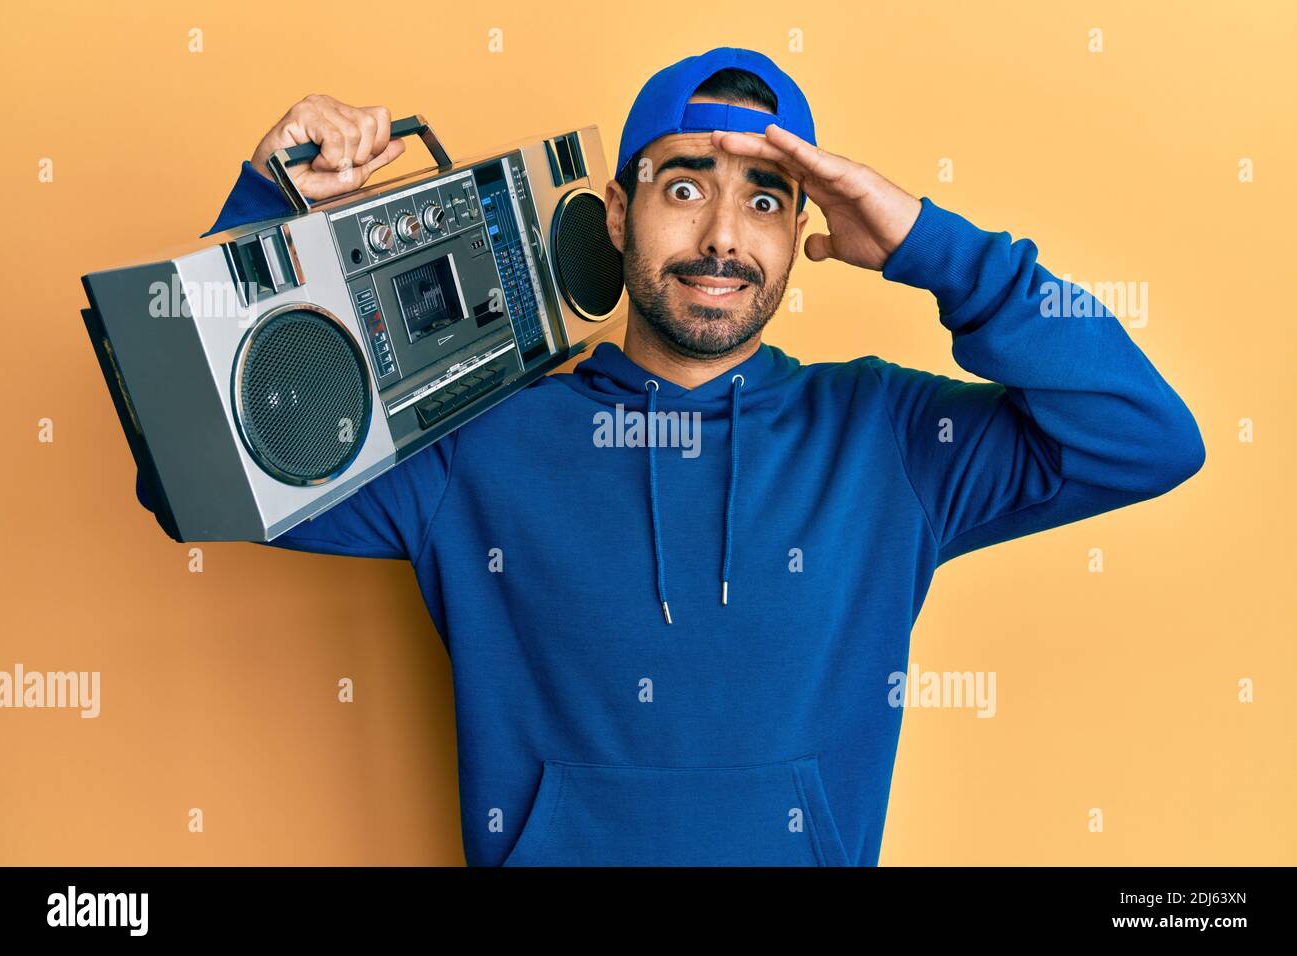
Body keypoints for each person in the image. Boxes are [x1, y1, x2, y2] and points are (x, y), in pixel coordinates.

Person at [136, 47, 1205, 866]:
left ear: (802, 232)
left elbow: (1147, 435)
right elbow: (185, 475)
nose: (722, 238)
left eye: (766, 198)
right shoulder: (478, 442)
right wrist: (268, 205)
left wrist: (937, 249)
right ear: (617, 213)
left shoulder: (888, 437)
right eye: (686, 186)